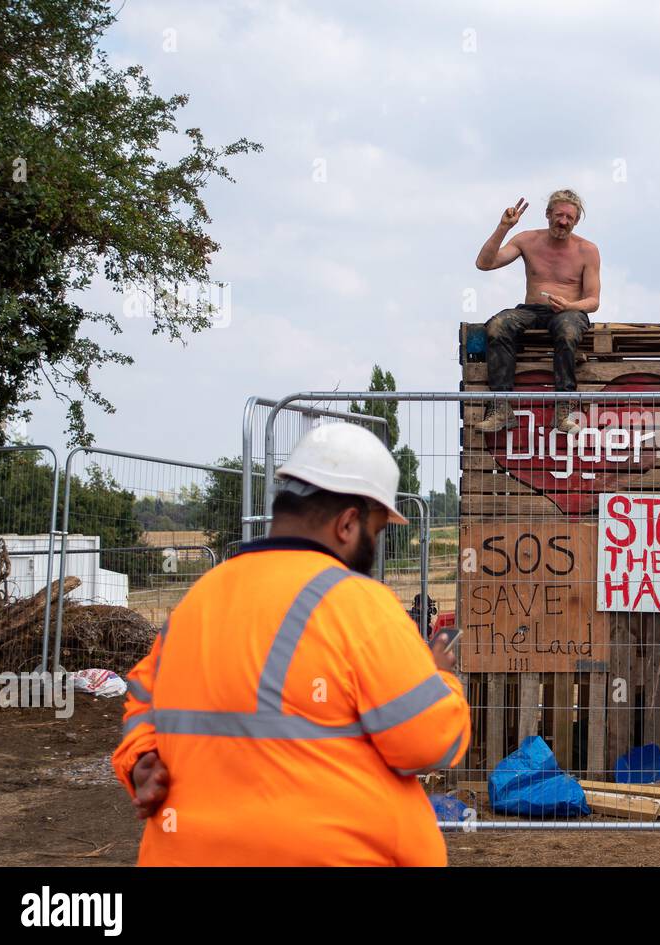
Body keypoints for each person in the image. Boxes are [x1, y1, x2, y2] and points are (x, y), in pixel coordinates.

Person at [111, 422, 470, 866]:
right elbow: (428, 743)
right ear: (348, 523)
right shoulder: (357, 604)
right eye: (375, 533)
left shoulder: (198, 600)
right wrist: (442, 680)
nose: (373, 546)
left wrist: (140, 756)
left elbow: (141, 697)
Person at [473, 188, 601, 434]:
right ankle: (501, 409)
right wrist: (503, 227)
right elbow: (484, 264)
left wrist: (569, 305)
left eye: (570, 218)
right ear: (548, 214)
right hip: (532, 309)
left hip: (568, 311)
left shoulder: (587, 250)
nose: (563, 222)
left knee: (567, 330)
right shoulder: (527, 240)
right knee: (499, 325)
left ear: (576, 221)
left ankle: (563, 409)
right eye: (559, 215)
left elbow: (593, 301)